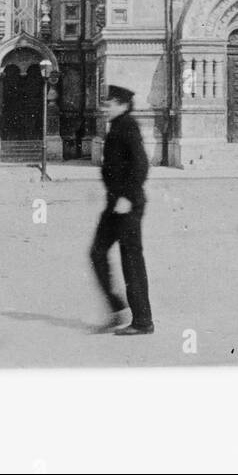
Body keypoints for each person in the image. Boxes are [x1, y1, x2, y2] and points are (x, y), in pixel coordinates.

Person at [89, 84, 154, 335]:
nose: (106, 107)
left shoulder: (128, 125)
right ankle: (117, 309)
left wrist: (127, 196)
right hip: (115, 204)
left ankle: (143, 321)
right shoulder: (117, 126)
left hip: (127, 204)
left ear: (123, 105)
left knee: (131, 259)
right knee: (97, 252)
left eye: (110, 103)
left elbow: (141, 164)